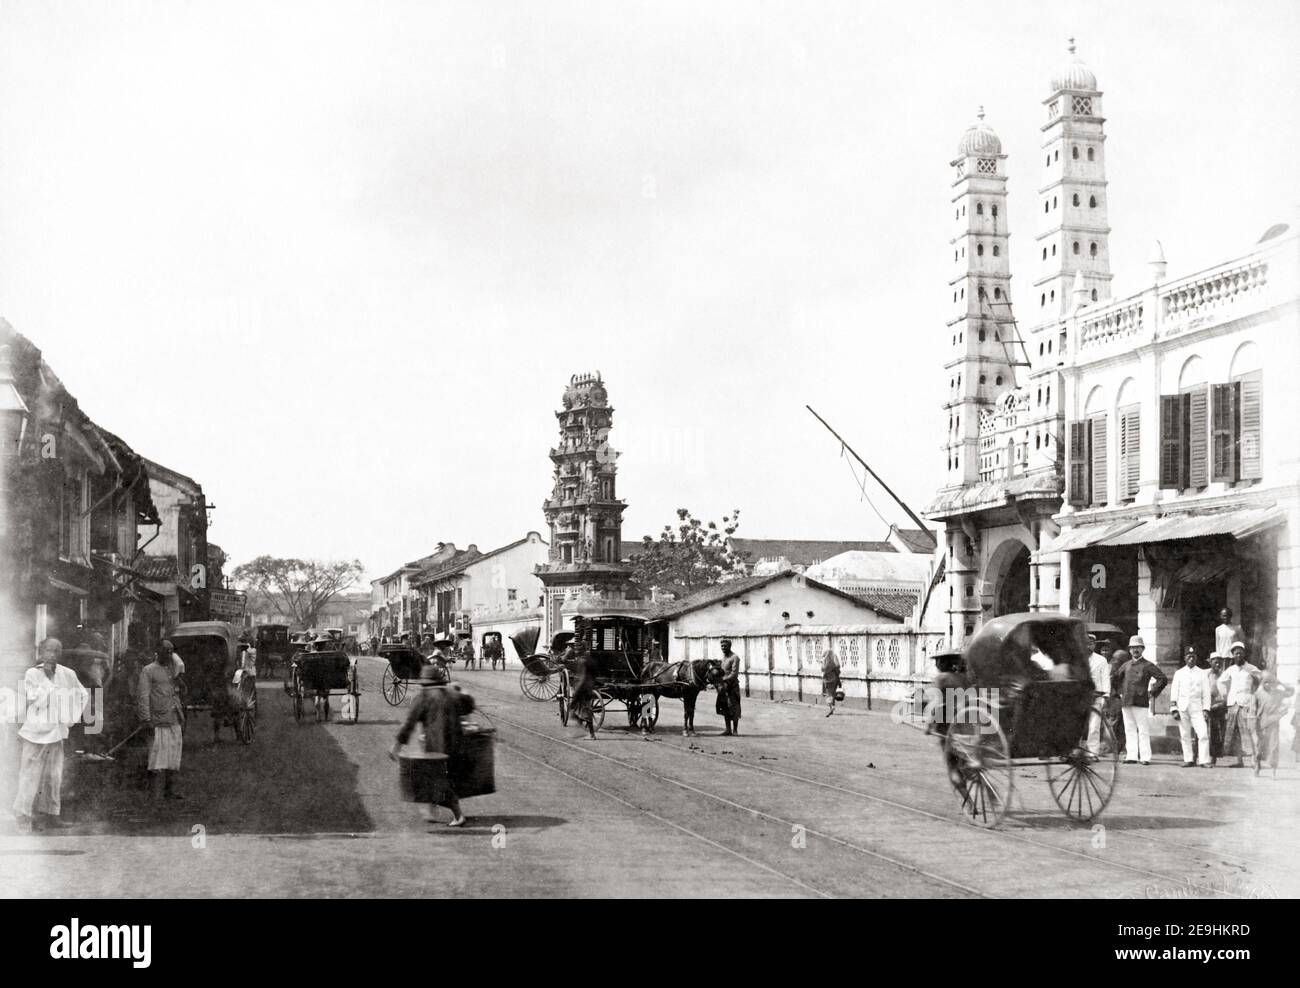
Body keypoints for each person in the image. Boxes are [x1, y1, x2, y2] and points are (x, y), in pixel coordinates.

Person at [12, 639, 88, 834]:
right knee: (30, 776)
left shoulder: (67, 674)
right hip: (35, 733)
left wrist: (70, 718)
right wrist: (46, 677)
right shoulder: (33, 673)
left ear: (60, 653)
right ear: (41, 651)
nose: (52, 654)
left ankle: (52, 815)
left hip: (56, 732)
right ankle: (25, 816)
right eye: (48, 650)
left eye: (56, 650)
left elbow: (82, 695)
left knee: (54, 777)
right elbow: (33, 699)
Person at [389, 665, 474, 827]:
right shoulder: (453, 694)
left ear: (424, 683)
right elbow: (469, 705)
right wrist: (462, 691)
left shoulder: (423, 697)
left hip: (436, 745)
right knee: (442, 777)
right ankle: (431, 809)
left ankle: (458, 815)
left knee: (433, 778)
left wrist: (397, 745)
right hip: (457, 744)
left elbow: (409, 724)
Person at [137, 644, 185, 800]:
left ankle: (169, 791)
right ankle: (153, 794)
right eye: (166, 651)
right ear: (157, 652)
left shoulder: (172, 670)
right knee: (156, 757)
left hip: (174, 717)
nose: (169, 654)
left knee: (173, 755)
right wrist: (146, 719)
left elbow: (179, 688)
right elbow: (143, 696)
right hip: (157, 720)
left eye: (171, 651)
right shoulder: (148, 670)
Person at [1112, 636, 1167, 765]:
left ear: (1143, 649)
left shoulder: (1148, 665)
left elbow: (1162, 679)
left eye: (1138, 647)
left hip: (1141, 701)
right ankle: (1131, 755)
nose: (1135, 650)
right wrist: (1118, 692)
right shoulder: (1125, 665)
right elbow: (1114, 678)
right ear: (1129, 650)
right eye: (1132, 648)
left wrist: (1152, 693)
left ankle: (1145, 757)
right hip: (1126, 701)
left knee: (1143, 730)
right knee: (1129, 729)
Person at [1217, 643, 1261, 768]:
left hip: (1246, 703)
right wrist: (1225, 695)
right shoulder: (1230, 670)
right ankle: (1239, 760)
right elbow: (1221, 682)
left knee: (1248, 731)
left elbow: (1262, 679)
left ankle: (1253, 760)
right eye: (1236, 653)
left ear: (1244, 654)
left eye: (1241, 653)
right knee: (1235, 733)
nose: (1238, 655)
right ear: (1232, 655)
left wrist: (1255, 694)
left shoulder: (1251, 668)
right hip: (1233, 704)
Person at [1170, 646, 1213, 768]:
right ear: (1185, 658)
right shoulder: (1179, 673)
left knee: (1203, 734)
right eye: (1189, 657)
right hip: (1182, 707)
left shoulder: (1202, 673)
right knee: (1185, 735)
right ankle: (1188, 759)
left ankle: (1204, 760)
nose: (1191, 659)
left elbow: (1206, 693)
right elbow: (1174, 691)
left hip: (1197, 708)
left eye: (1193, 657)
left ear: (1196, 658)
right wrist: (1174, 708)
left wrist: (1206, 709)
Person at [1253, 673, 1295, 778]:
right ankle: (1257, 766)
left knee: (1274, 746)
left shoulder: (1278, 693)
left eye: (1270, 682)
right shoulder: (1258, 694)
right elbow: (1253, 709)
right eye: (1265, 682)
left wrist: (1281, 683)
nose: (1267, 684)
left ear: (1273, 683)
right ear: (1262, 683)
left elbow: (1291, 692)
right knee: (1259, 747)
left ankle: (1274, 770)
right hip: (1261, 724)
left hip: (1273, 723)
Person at [564, 618, 600, 741]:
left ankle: (591, 734)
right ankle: (580, 729)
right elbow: (595, 673)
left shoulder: (582, 661)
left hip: (583, 689)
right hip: (589, 687)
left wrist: (576, 692)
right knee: (581, 710)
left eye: (578, 649)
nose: (576, 650)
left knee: (583, 710)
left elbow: (583, 677)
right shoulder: (590, 660)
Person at [1086, 634, 1111, 755]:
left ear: (1094, 645)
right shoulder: (1077, 658)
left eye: (1090, 644)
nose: (1088, 646)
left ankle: (1092, 752)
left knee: (1094, 726)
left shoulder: (1101, 660)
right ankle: (1075, 751)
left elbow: (1105, 678)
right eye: (1085, 643)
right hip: (1080, 696)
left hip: (1096, 696)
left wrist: (1105, 696)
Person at [717, 639, 742, 736]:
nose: (723, 648)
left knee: (734, 707)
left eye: (725, 646)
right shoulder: (723, 658)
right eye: (722, 646)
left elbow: (734, 674)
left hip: (732, 686)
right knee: (724, 707)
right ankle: (728, 729)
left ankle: (735, 730)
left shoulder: (735, 657)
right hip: (723, 687)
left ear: (729, 646)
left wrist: (723, 680)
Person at [822, 647, 842, 717]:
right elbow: (838, 666)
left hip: (828, 679)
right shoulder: (834, 656)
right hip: (835, 678)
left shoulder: (825, 660)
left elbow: (822, 669)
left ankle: (831, 707)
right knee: (832, 693)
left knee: (829, 694)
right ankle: (832, 707)